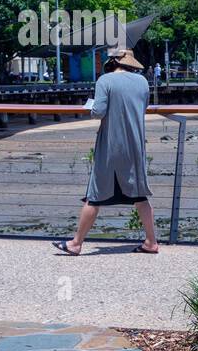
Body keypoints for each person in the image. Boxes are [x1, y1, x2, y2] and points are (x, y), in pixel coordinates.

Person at [55, 49, 159, 256]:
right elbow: (142, 107)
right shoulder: (143, 82)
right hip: (136, 145)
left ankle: (76, 243)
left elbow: (98, 112)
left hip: (111, 145)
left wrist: (91, 107)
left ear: (112, 62)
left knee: (94, 195)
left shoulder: (105, 81)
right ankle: (151, 241)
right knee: (139, 195)